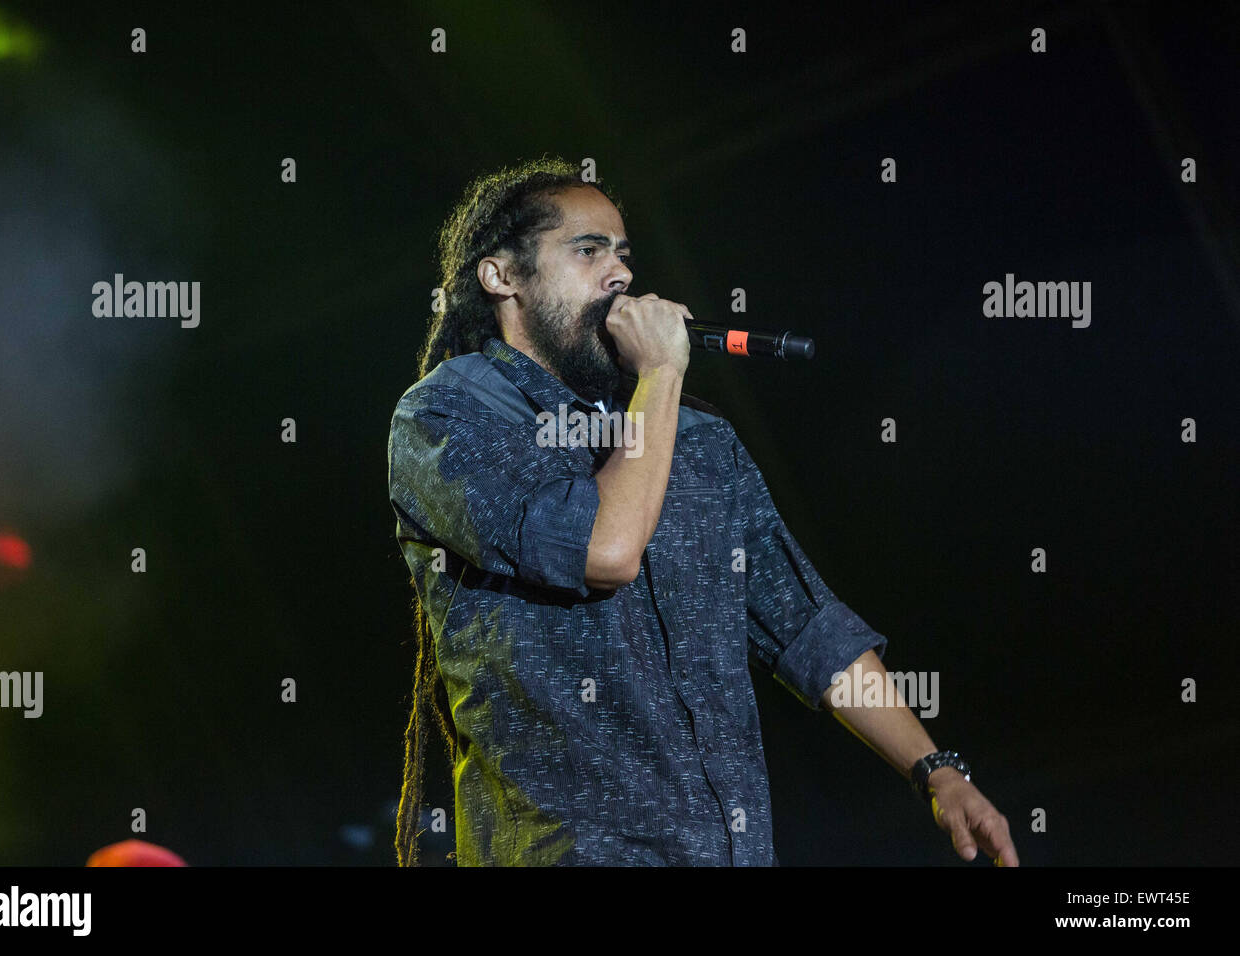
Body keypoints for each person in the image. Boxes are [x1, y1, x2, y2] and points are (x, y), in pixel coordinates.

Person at [387, 156, 1018, 867]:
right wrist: (660, 372)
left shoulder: (694, 437)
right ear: (501, 277)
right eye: (588, 250)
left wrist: (936, 769)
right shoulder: (449, 413)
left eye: (624, 253)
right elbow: (605, 550)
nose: (620, 274)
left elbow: (807, 626)